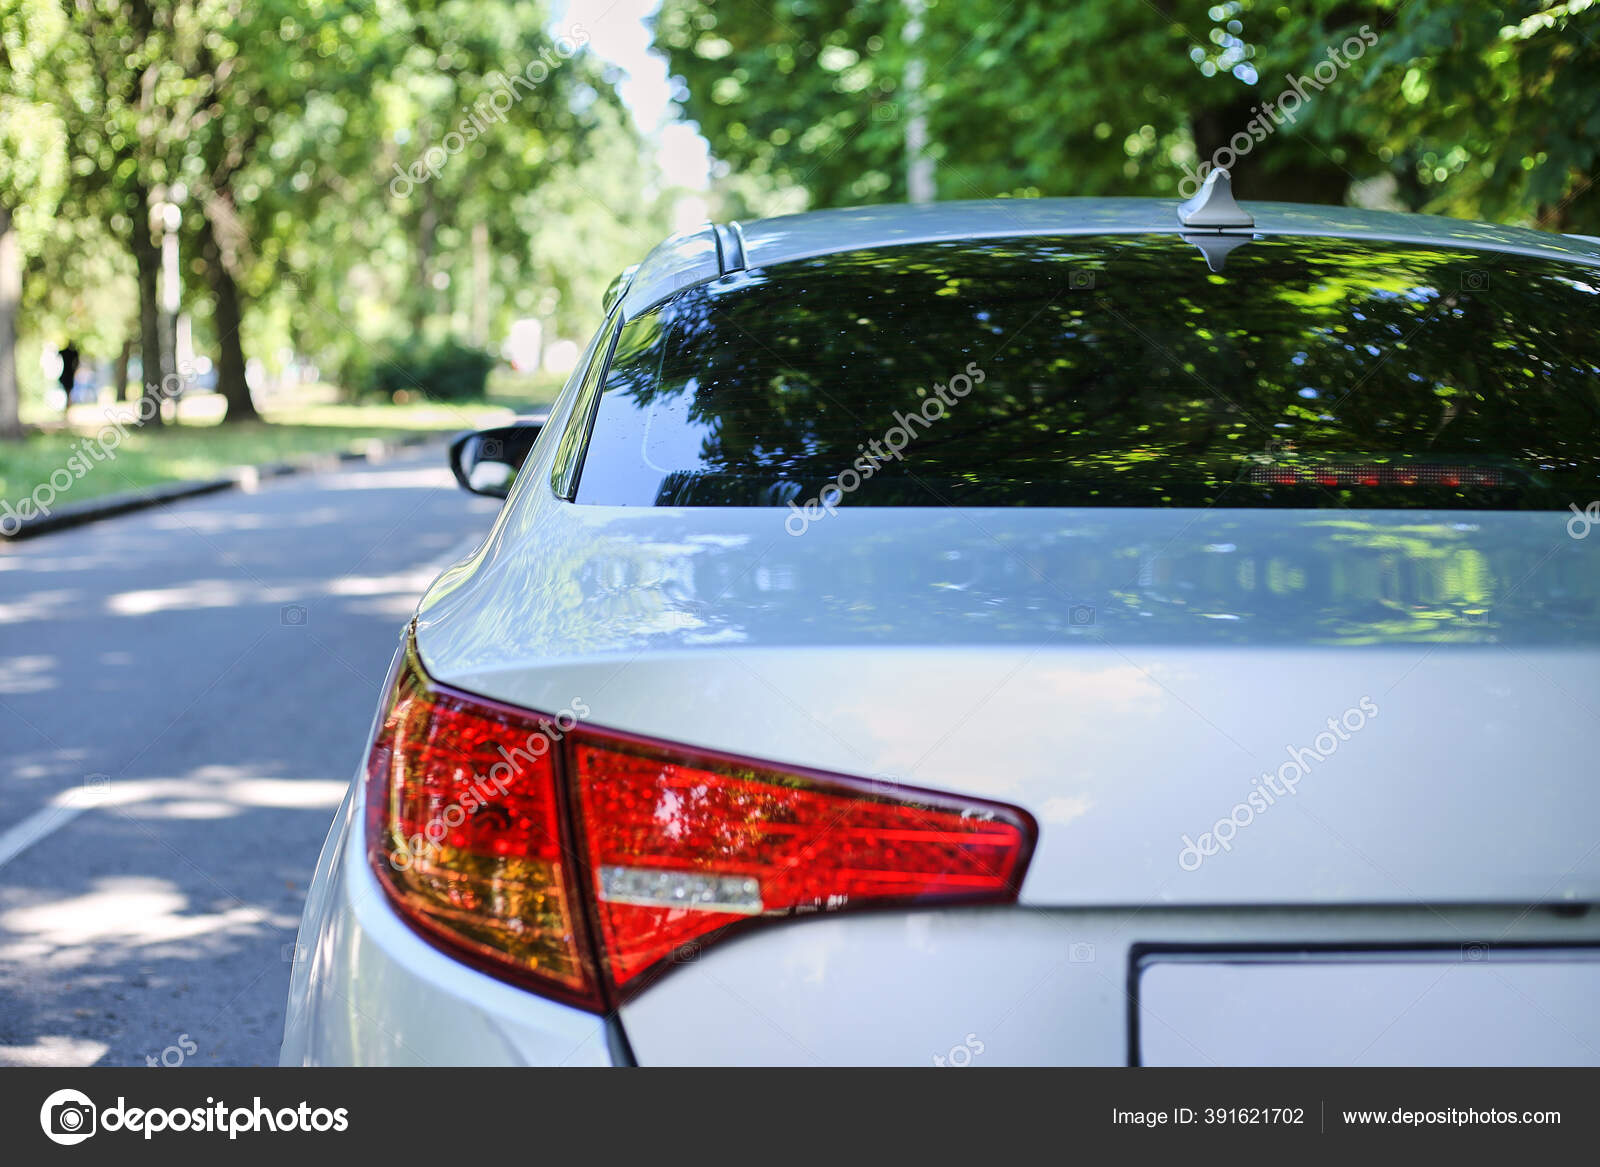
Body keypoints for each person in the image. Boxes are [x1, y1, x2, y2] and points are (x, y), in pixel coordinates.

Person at [58, 342, 80, 412]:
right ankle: (68, 406)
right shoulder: (72, 353)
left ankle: (68, 406)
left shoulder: (68, 353)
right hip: (68, 374)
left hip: (67, 374)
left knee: (68, 391)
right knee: (68, 391)